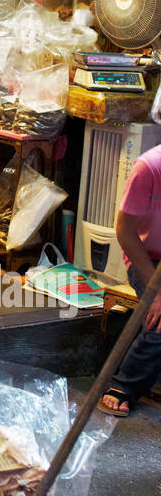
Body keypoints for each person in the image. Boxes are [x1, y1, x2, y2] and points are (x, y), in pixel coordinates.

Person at [100, 142, 161, 417]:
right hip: (148, 258)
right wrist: (157, 292)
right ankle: (126, 383)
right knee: (160, 319)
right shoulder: (148, 168)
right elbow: (125, 233)